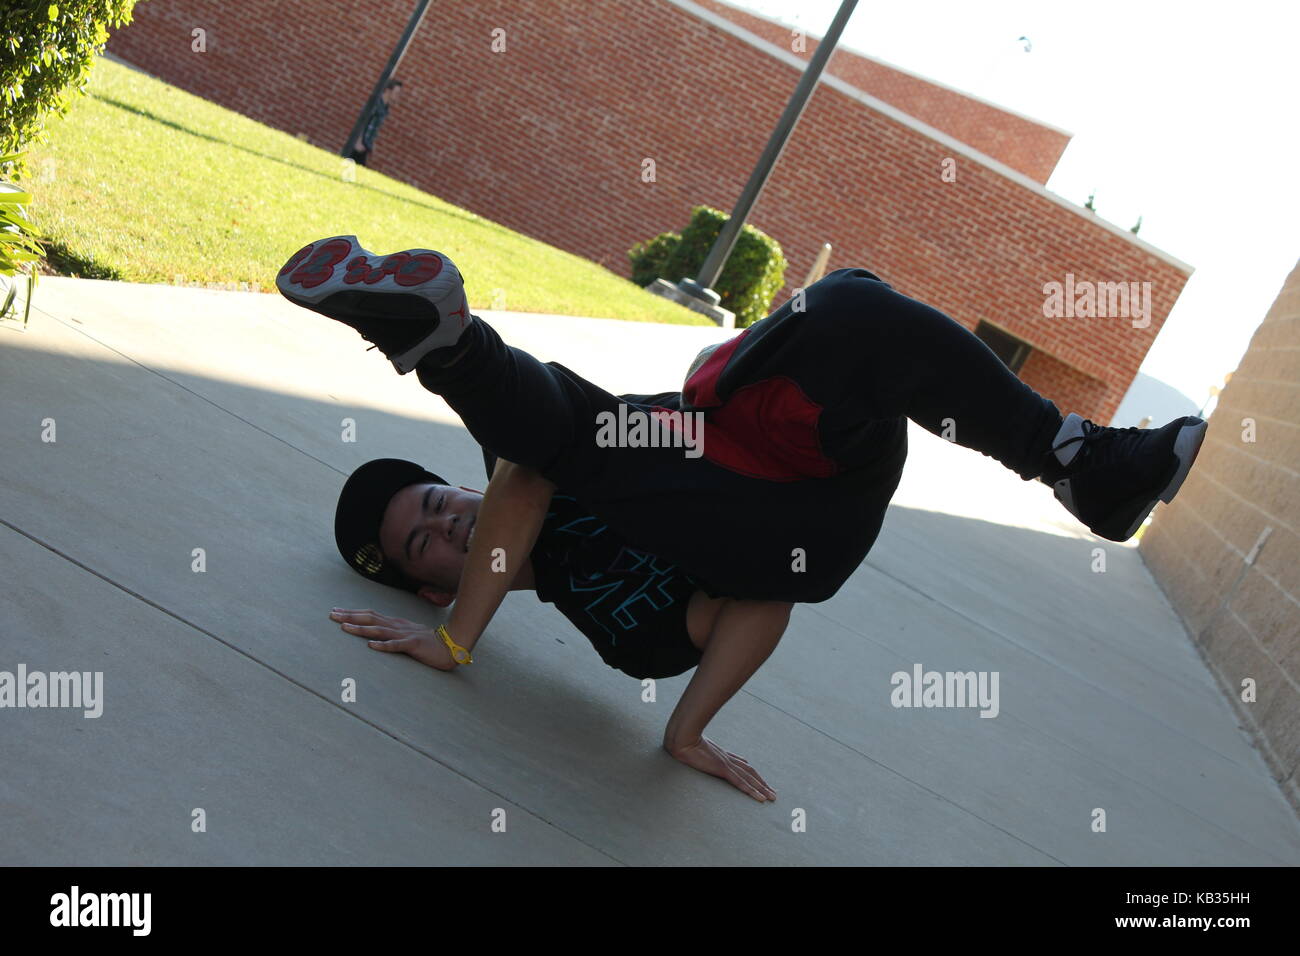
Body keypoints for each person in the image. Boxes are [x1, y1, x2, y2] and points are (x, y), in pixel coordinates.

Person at [274, 235, 1208, 802]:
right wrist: (684, 733)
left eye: (436, 504)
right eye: (422, 547)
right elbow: (761, 602)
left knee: (848, 309)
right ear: (432, 582)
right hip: (802, 530)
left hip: (734, 438)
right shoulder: (620, 629)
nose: (446, 528)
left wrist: (459, 642)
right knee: (589, 428)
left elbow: (529, 467)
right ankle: (444, 344)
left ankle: (1076, 460)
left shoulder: (520, 475)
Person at [347, 80, 402, 167]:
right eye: (396, 93)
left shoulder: (385, 108)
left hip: (365, 145)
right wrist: (359, 141)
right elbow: (363, 120)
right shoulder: (376, 103)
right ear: (388, 90)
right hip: (359, 144)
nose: (397, 96)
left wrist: (371, 144)